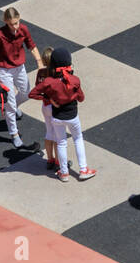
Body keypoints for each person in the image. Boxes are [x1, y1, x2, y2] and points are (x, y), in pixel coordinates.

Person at [27, 47, 95, 182]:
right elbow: (81, 98)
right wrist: (73, 94)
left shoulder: (48, 82)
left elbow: (32, 94)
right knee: (78, 139)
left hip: (56, 117)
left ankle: (64, 173)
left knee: (61, 143)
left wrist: (49, 99)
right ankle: (83, 170)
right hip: (73, 117)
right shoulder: (75, 80)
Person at [0, 7, 44, 148]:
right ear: (6, 21)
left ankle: (12, 107)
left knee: (26, 93)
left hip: (19, 68)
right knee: (10, 105)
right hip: (4, 71)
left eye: (17, 23)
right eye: (12, 24)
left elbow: (32, 46)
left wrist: (40, 63)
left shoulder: (23, 29)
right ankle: (14, 134)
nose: (15, 26)